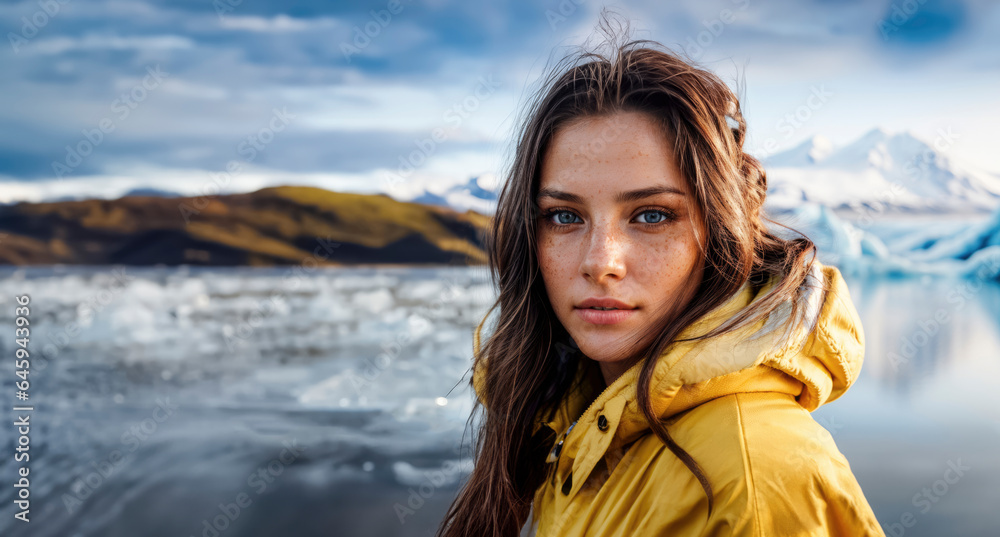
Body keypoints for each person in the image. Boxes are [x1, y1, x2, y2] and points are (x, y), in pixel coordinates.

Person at [436, 16, 886, 537]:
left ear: (720, 231)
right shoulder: (579, 421)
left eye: (651, 215)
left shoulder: (755, 478)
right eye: (564, 216)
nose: (601, 261)